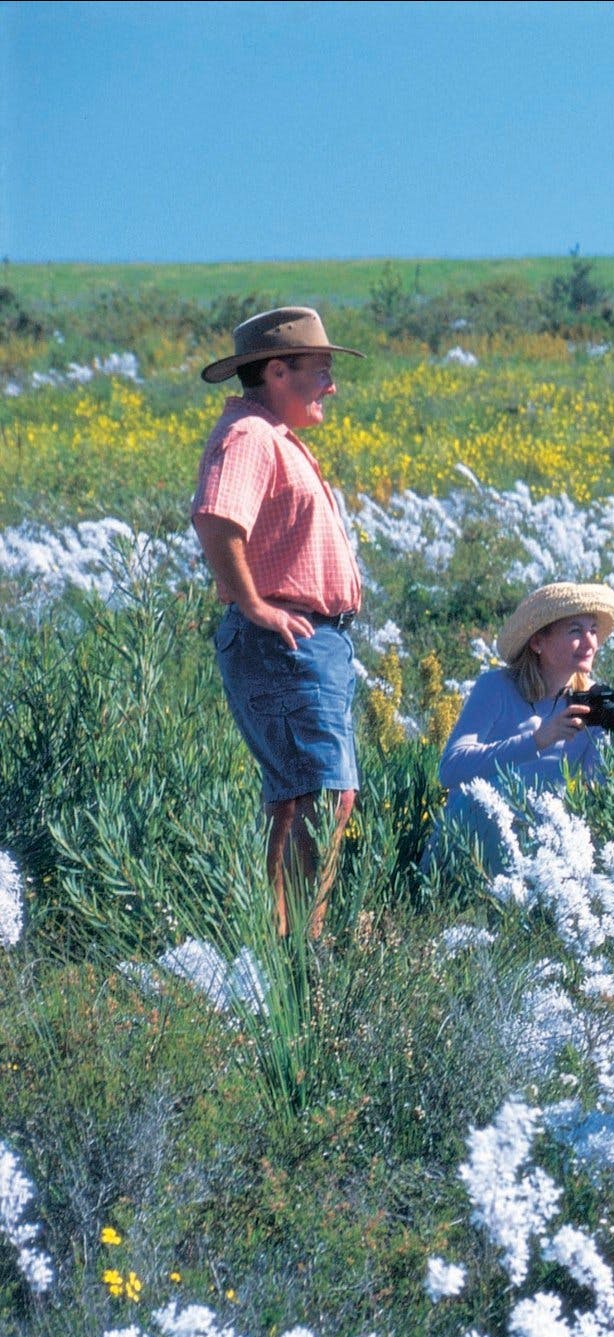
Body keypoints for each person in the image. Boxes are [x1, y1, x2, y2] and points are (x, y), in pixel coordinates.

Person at [191, 306, 368, 939]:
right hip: (285, 639)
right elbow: (216, 518)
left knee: (306, 797)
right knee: (319, 796)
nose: (331, 385)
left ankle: (290, 946)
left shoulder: (268, 434)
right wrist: (254, 604)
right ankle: (296, 952)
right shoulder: (252, 436)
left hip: (310, 643)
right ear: (276, 371)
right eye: (319, 370)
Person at [427, 583, 614, 874]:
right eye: (575, 631)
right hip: (470, 850)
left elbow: (595, 795)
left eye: (593, 631)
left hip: (539, 862)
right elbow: (450, 768)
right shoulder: (496, 687)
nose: (590, 643)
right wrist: (536, 741)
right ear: (537, 642)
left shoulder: (592, 704)